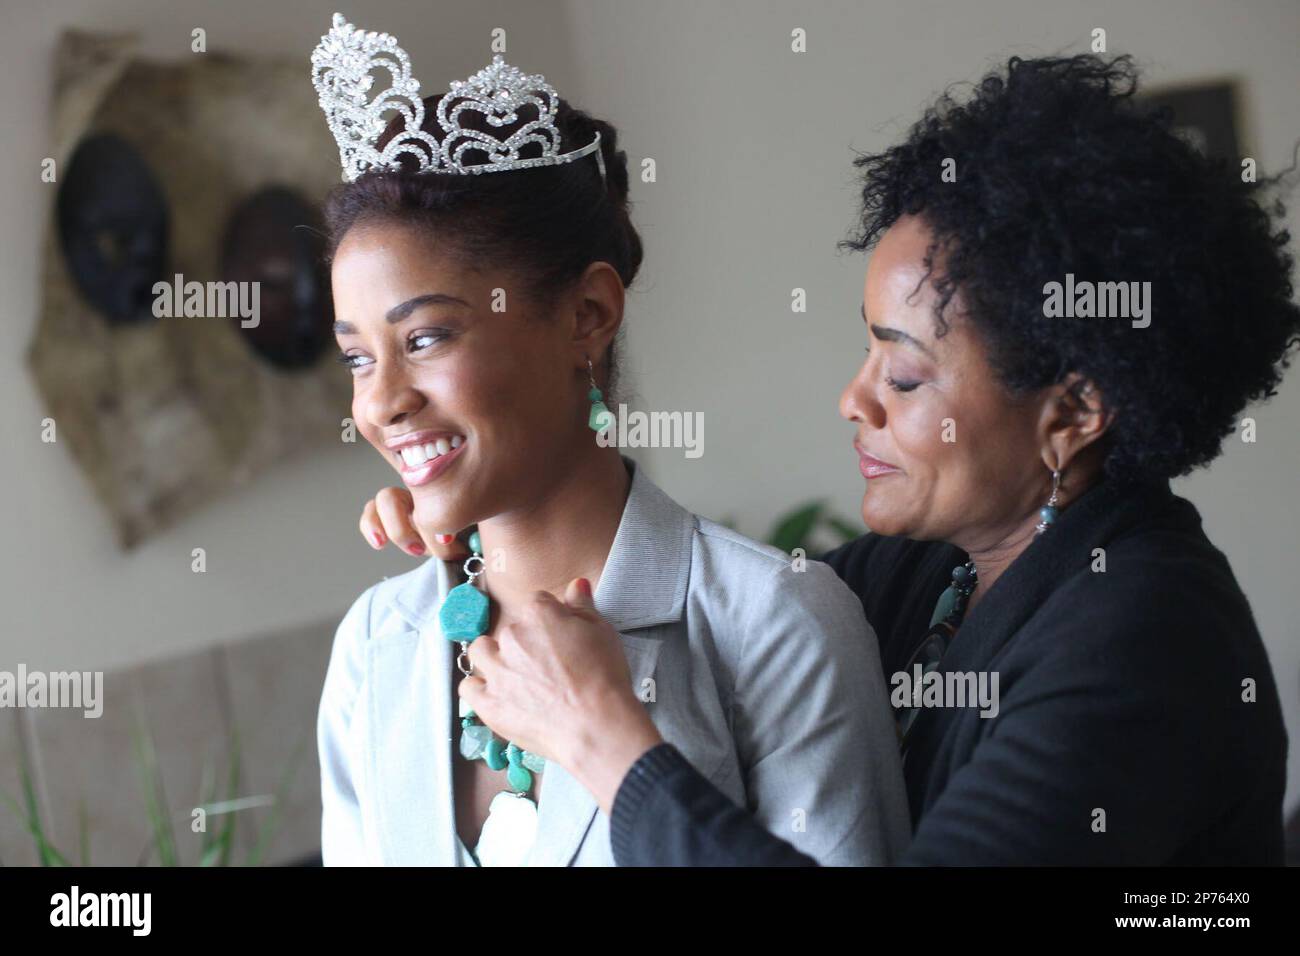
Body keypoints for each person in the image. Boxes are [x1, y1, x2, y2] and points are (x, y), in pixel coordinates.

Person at [365, 54, 1297, 865]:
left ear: (1075, 410)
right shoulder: (932, 569)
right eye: (864, 354)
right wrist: (473, 513)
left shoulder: (1147, 637)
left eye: (904, 375)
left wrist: (606, 741)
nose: (853, 401)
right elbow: (720, 609)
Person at [313, 14, 910, 866]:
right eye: (357, 357)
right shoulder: (376, 645)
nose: (383, 403)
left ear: (586, 315)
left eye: (427, 339)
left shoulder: (775, 623)